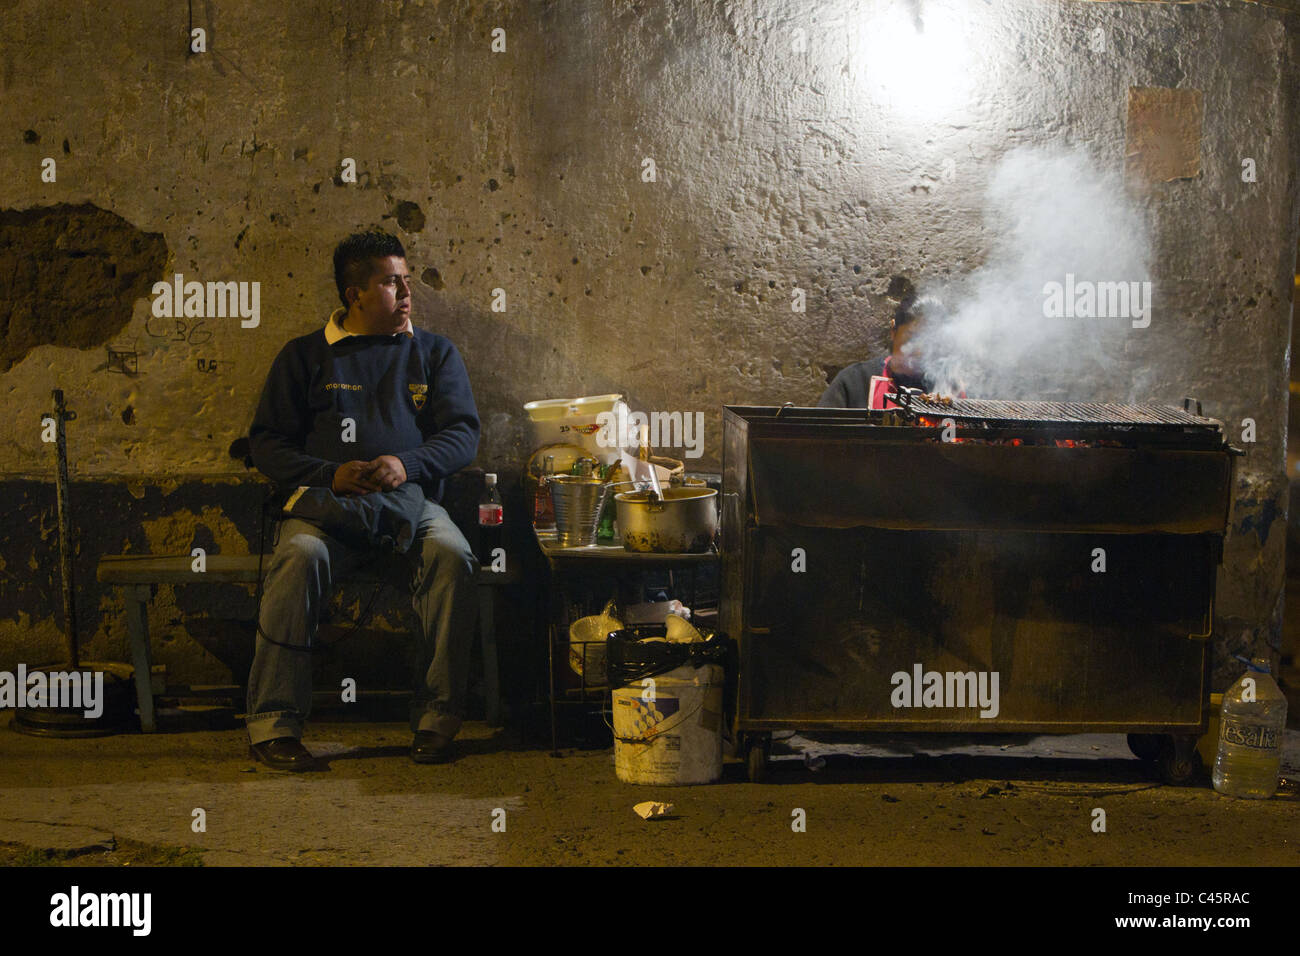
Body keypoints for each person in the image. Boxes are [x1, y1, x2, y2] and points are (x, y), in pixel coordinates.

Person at [245, 230, 481, 770]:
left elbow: (463, 434)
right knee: (299, 558)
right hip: (326, 511)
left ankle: (436, 718)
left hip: (410, 505)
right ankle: (272, 724)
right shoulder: (305, 356)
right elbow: (267, 444)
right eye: (390, 282)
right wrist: (330, 475)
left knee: (453, 556)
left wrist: (407, 464)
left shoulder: (434, 353)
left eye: (406, 280)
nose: (406, 293)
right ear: (354, 295)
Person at [818, 295, 946, 408]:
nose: (919, 352)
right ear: (893, 331)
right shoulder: (854, 383)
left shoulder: (949, 388)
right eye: (912, 338)